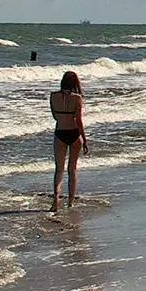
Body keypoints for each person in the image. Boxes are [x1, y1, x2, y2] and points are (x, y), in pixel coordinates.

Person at [49, 70, 88, 214]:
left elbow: (54, 116)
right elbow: (79, 120)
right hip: (73, 133)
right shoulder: (77, 98)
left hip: (60, 132)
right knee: (72, 169)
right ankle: (70, 202)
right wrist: (85, 139)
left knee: (59, 169)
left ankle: (56, 201)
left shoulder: (53, 96)